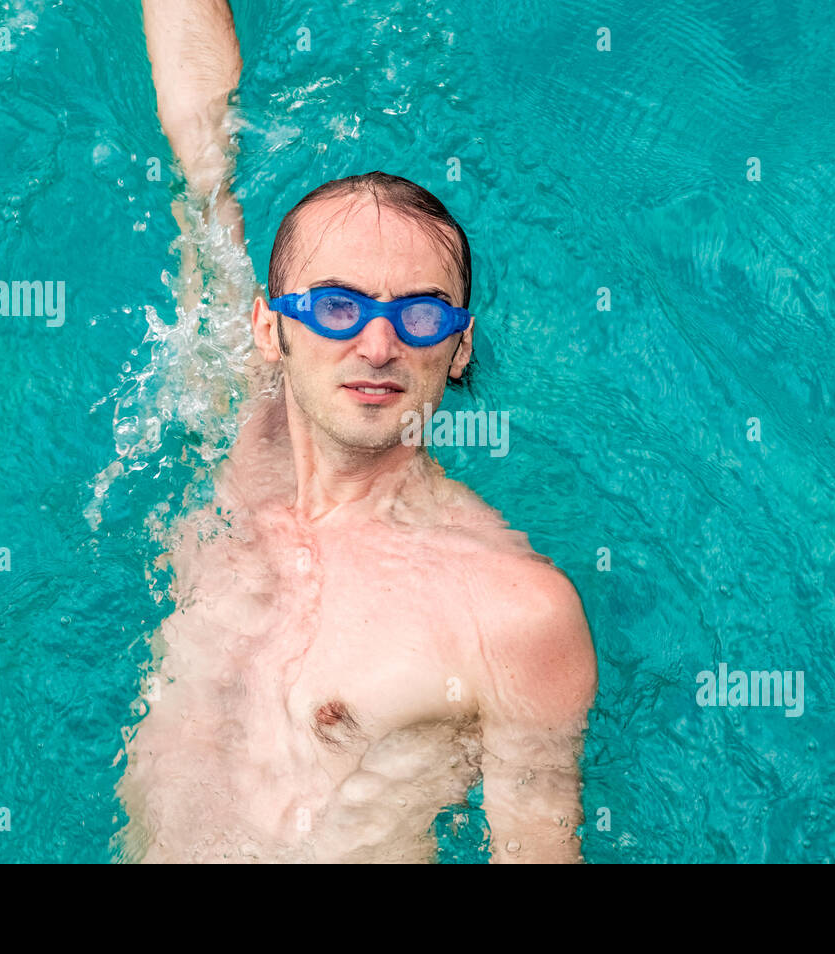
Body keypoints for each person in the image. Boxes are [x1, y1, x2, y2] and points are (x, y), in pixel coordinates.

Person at [118, 0, 597, 863]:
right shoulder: (247, 450)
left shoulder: (512, 610)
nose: (377, 342)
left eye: (419, 314)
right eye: (338, 306)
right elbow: (203, 179)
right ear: (273, 329)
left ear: (459, 347)